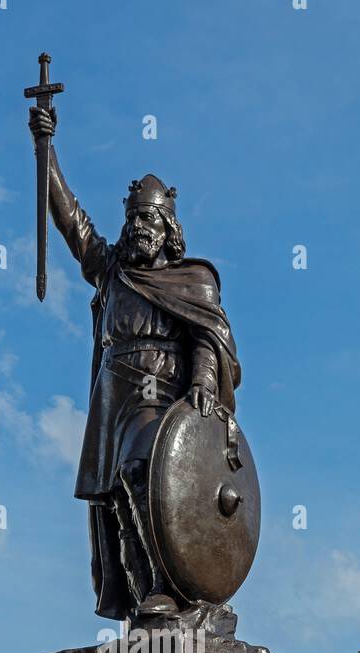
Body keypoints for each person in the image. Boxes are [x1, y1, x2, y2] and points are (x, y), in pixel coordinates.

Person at [28, 103, 242, 622]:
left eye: (149, 219)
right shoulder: (112, 272)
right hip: (113, 398)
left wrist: (204, 383)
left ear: (168, 226)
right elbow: (70, 220)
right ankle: (144, 598)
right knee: (118, 498)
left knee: (143, 472)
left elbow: (208, 337)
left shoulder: (193, 280)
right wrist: (44, 148)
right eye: (133, 219)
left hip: (161, 395)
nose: (139, 227)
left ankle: (170, 586)